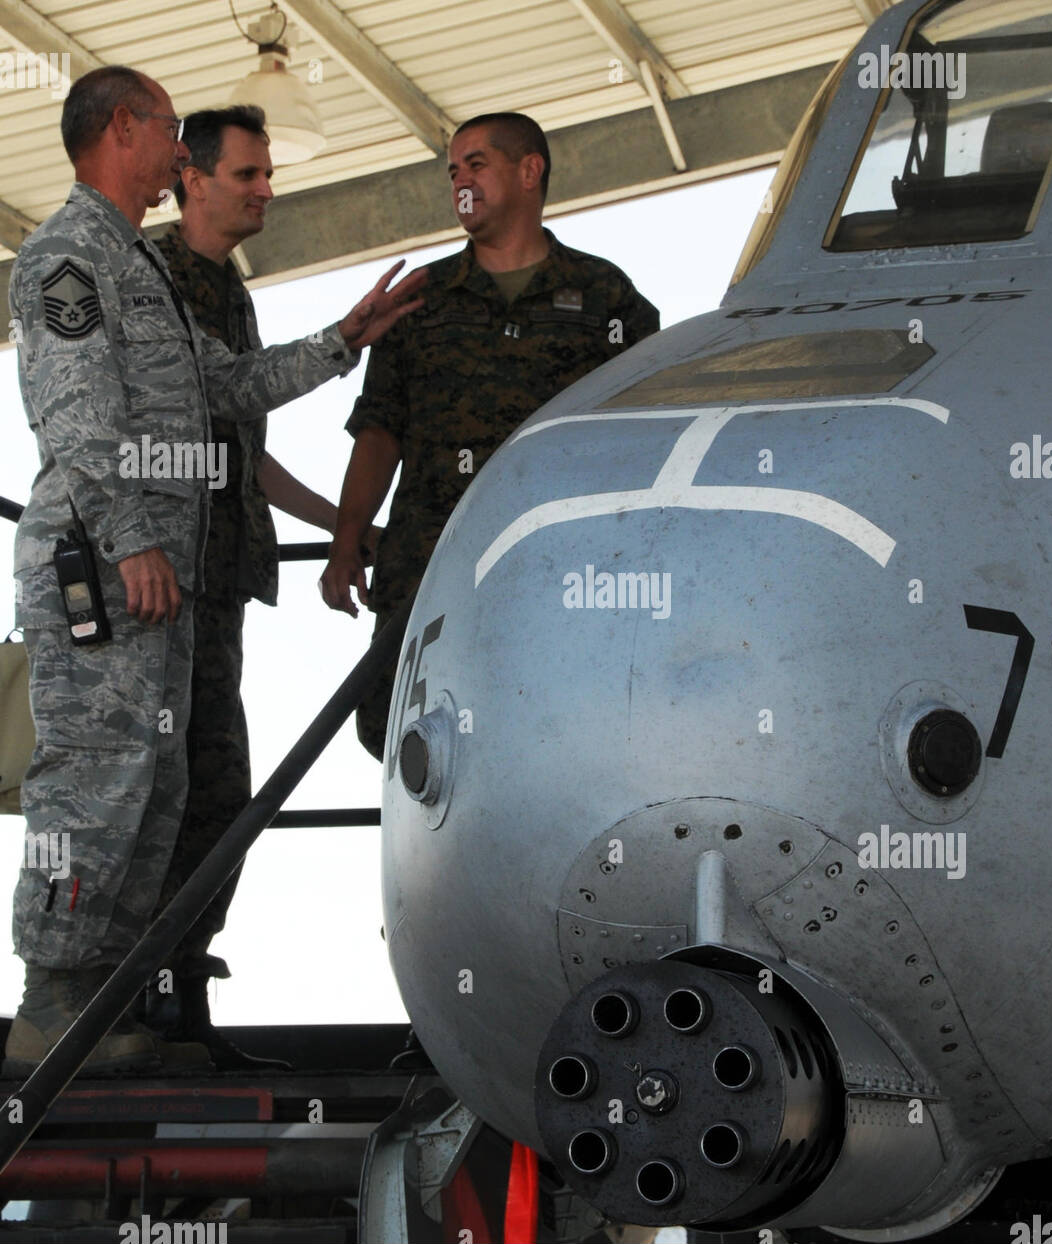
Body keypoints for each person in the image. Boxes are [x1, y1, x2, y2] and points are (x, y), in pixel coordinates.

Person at [4, 66, 424, 1079]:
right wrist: (131, 539)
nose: (175, 151)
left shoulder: (139, 269)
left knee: (156, 784)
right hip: (105, 567)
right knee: (92, 782)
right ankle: (49, 1007)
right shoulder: (67, 255)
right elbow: (72, 415)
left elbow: (224, 386)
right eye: (164, 131)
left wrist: (340, 343)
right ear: (122, 130)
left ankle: (107, 1005)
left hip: (162, 581)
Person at [138, 105, 380, 1069]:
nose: (265, 189)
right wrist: (345, 338)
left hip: (219, 583)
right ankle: (129, 1007)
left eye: (267, 173)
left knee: (217, 791)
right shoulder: (147, 275)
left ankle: (176, 998)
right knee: (156, 791)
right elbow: (229, 394)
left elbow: (245, 441)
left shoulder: (226, 288)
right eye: (246, 174)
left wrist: (345, 527)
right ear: (191, 177)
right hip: (157, 584)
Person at [320, 112, 660, 758]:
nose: (460, 182)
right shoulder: (421, 299)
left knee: (558, 742)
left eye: (476, 164)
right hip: (429, 570)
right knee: (411, 738)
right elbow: (379, 431)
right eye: (453, 171)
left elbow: (643, 435)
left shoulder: (605, 297)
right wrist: (344, 541)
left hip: (561, 574)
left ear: (529, 171)